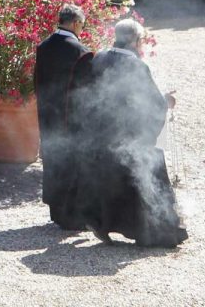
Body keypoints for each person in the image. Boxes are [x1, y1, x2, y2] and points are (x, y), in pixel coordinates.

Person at [69, 19, 187, 248]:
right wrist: (166, 101)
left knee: (110, 181)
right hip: (129, 136)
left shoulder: (100, 57)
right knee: (146, 174)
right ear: (135, 40)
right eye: (141, 39)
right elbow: (149, 104)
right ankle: (154, 232)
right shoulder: (136, 66)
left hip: (101, 135)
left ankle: (102, 223)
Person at [34, 4, 89, 229]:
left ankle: (56, 211)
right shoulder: (79, 51)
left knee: (53, 161)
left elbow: (37, 82)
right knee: (72, 164)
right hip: (72, 117)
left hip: (48, 114)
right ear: (76, 23)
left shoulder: (43, 46)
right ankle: (73, 216)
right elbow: (87, 90)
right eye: (82, 25)